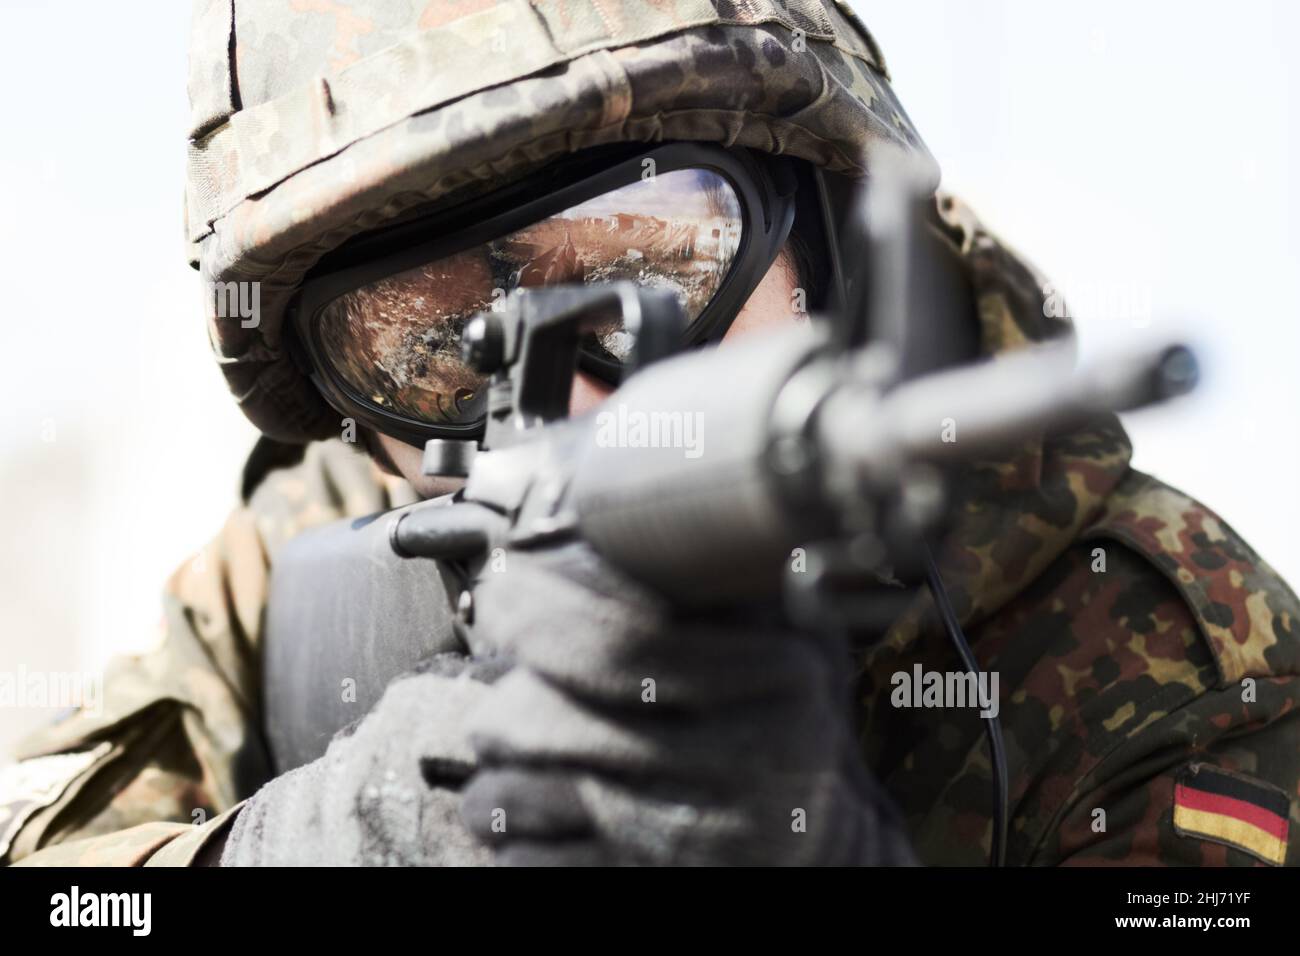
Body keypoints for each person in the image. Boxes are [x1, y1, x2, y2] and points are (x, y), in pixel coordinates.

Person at [3, 0, 1297, 867]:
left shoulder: (1161, 640)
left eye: (656, 269)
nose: (567, 399)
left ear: (830, 253)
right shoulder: (320, 542)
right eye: (428, 339)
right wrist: (361, 833)